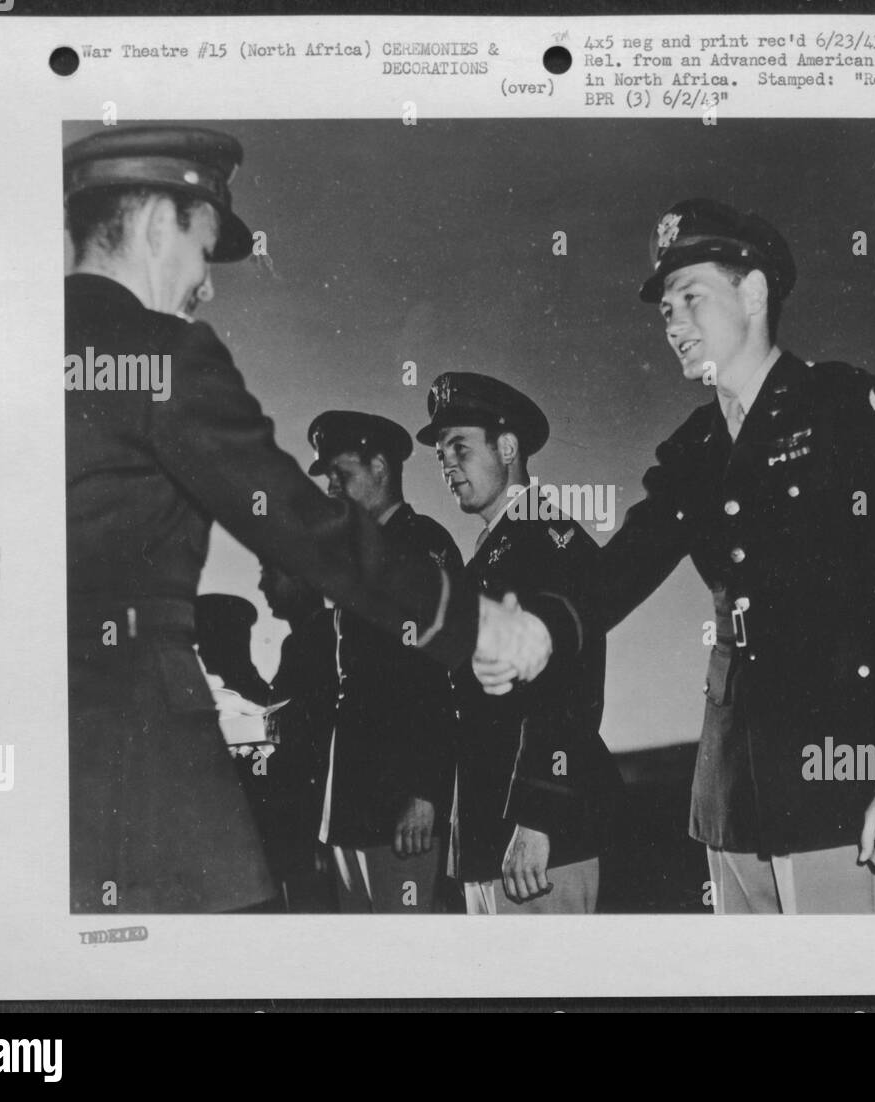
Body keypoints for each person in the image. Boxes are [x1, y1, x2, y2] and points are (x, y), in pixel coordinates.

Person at [63, 125, 559, 913]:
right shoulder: (160, 352)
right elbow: (295, 520)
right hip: (139, 744)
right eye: (199, 248)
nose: (207, 285)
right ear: (157, 226)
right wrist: (479, 627)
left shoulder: (1, 346)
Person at [481, 199, 875, 914]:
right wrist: (541, 628)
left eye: (690, 298)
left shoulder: (847, 409)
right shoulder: (696, 449)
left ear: (754, 292)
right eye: (665, 309)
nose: (672, 322)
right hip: (732, 791)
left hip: (840, 784)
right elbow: (624, 565)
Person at [419, 373, 624, 914]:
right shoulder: (491, 556)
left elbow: (570, 694)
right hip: (490, 832)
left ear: (507, 448)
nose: (447, 465)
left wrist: (538, 819)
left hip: (538, 841)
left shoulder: (549, 541)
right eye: (440, 454)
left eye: (459, 446)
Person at [307, 411, 461, 914]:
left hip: (402, 807)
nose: (331, 489)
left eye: (341, 475)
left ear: (379, 466)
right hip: (351, 802)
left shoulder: (423, 546)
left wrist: (425, 792)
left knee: (406, 957)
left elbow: (441, 679)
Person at [257, 562, 338, 911]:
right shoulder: (300, 640)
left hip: (315, 820)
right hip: (303, 822)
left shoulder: (323, 636)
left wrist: (319, 832)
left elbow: (320, 741)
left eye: (270, 570)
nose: (262, 584)